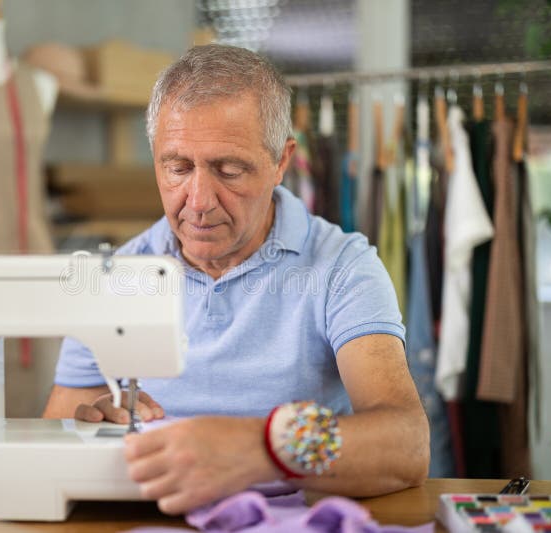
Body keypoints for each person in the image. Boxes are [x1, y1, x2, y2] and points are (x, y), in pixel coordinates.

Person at [43, 44, 429, 515]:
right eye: (177, 167)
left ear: (281, 162)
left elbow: (406, 444)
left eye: (229, 169)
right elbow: (54, 451)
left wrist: (263, 448)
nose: (199, 199)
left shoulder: (341, 267)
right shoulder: (116, 275)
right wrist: (90, 428)